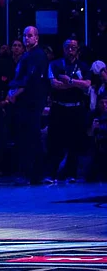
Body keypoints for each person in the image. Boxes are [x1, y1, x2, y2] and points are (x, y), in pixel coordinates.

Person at [8, 27, 49, 184]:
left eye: (30, 35)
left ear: (36, 38)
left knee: (31, 137)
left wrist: (14, 94)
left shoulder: (38, 56)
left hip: (32, 102)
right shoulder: (27, 55)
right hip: (24, 103)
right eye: (25, 35)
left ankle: (33, 174)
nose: (27, 38)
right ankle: (31, 173)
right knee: (26, 137)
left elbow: (29, 80)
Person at [48, 39, 92, 182]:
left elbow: (87, 85)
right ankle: (51, 174)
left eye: (73, 47)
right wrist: (74, 85)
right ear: (63, 49)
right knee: (55, 142)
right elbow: (55, 84)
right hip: (59, 107)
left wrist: (70, 81)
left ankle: (70, 174)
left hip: (76, 108)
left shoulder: (83, 66)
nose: (70, 50)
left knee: (75, 143)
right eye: (68, 47)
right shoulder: (55, 64)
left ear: (77, 49)